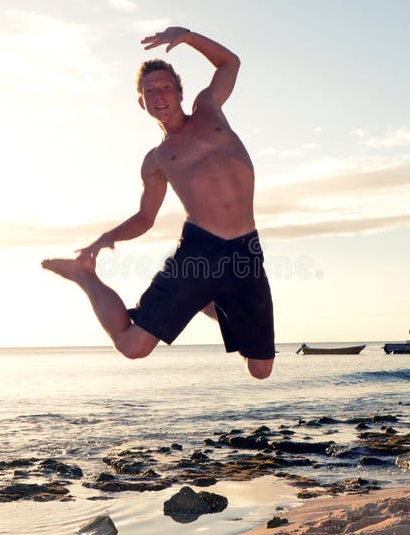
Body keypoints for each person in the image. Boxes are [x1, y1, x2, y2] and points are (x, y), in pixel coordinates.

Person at [42, 26, 274, 379]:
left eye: (166, 87)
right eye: (150, 91)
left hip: (246, 249)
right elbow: (145, 217)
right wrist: (107, 237)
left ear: (180, 93)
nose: (159, 95)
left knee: (260, 369)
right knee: (132, 346)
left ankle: (207, 301)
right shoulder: (157, 160)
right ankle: (84, 276)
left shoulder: (208, 109)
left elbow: (230, 63)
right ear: (142, 102)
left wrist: (189, 37)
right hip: (200, 250)